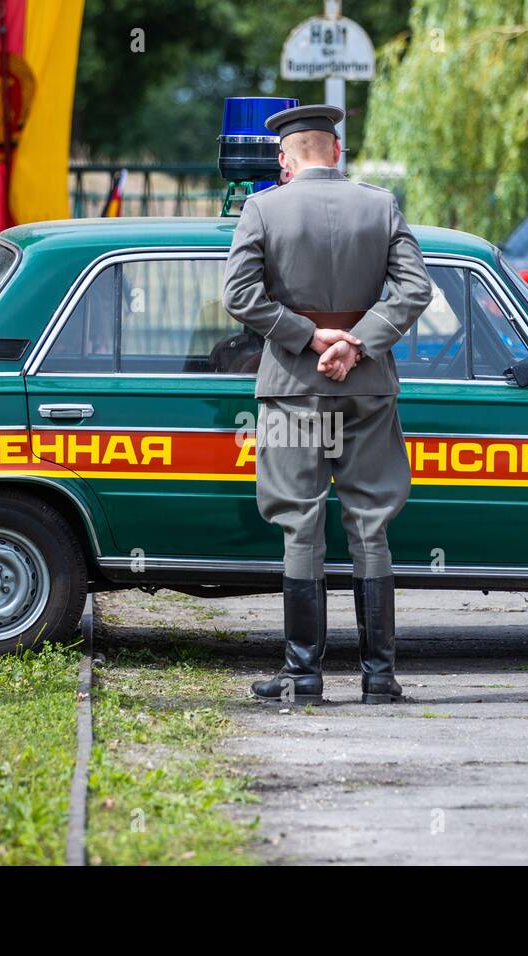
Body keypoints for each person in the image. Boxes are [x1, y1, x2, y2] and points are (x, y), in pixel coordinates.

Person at [222, 103, 434, 705]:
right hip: (366, 385)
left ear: (284, 160)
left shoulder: (262, 207)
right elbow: (416, 288)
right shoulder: (382, 205)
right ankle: (379, 677)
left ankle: (303, 675)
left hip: (293, 386)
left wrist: (308, 337)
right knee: (371, 526)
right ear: (336, 151)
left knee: (300, 525)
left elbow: (238, 294)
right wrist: (357, 343)